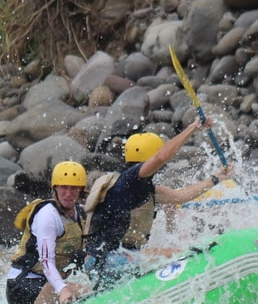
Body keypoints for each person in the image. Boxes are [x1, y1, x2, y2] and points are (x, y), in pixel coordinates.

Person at [82, 116, 234, 286]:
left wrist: (215, 178)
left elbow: (180, 196)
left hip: (115, 257)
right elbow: (161, 157)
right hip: (107, 261)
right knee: (172, 254)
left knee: (172, 252)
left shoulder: (140, 187)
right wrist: (193, 127)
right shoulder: (128, 181)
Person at [5, 161, 90, 304]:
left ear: (81, 190)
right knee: (89, 293)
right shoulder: (48, 215)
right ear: (55, 189)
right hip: (22, 287)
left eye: (74, 188)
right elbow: (46, 261)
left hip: (45, 283)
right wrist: (62, 289)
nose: (68, 194)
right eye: (64, 188)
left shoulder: (80, 214)